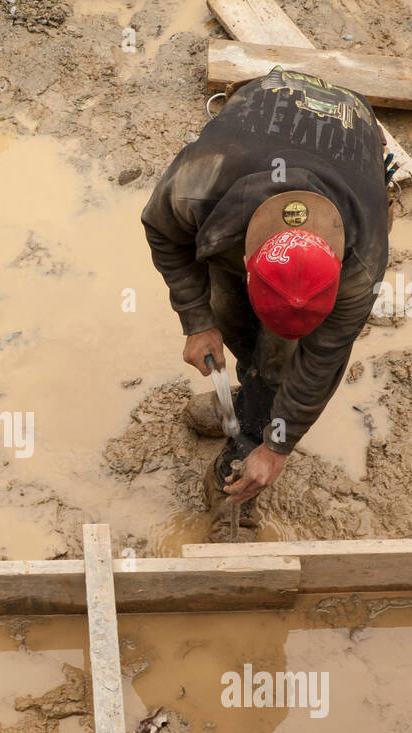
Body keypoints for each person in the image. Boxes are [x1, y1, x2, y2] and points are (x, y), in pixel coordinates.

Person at [142, 67, 394, 538]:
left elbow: (324, 359)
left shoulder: (361, 263)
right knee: (229, 315)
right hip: (262, 115)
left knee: (285, 358)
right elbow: (163, 232)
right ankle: (250, 392)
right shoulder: (200, 183)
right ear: (246, 259)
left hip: (350, 126)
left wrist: (277, 446)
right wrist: (197, 321)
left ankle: (239, 464)